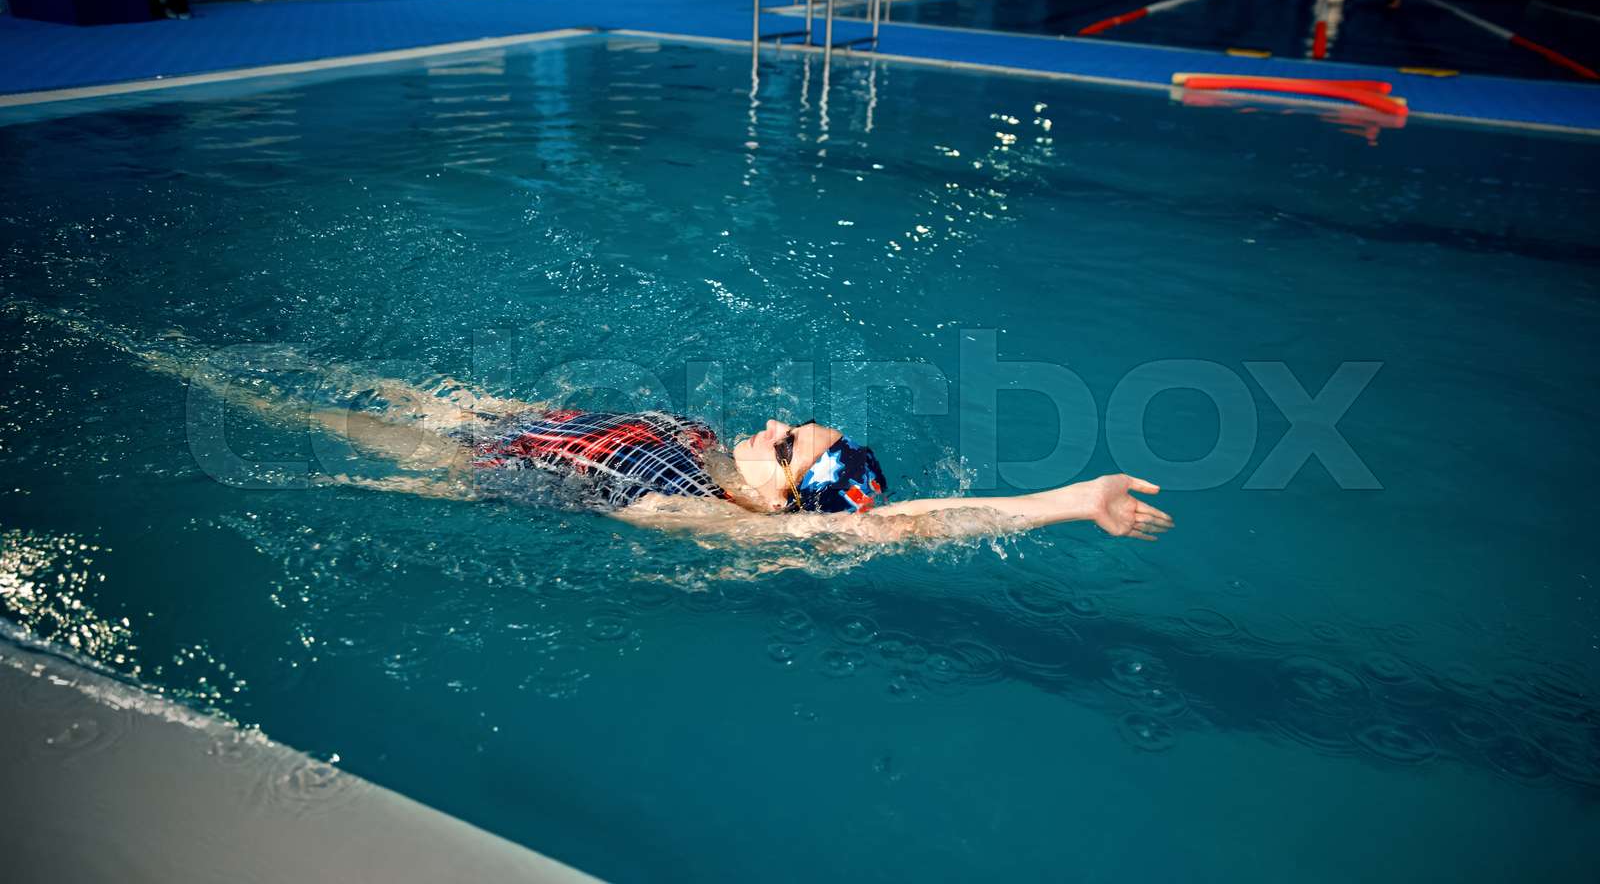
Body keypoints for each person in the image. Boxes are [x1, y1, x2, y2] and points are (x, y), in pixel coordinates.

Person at [301, 375, 1174, 545]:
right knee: (329, 380)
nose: (774, 423)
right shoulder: (700, 442)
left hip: (478, 467)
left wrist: (1070, 498)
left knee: (294, 412)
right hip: (517, 418)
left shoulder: (713, 517)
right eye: (796, 422)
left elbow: (899, 524)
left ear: (789, 499)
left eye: (789, 443)